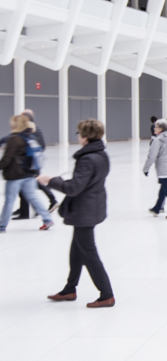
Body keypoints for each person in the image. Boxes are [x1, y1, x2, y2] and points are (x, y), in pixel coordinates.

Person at [40, 118, 114, 307]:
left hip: (85, 210)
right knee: (77, 250)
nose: (78, 136)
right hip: (93, 206)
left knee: (88, 252)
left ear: (85, 137)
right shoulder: (101, 154)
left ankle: (106, 294)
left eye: (79, 133)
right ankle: (69, 289)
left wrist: (51, 180)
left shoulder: (88, 158)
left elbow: (74, 188)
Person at [0, 114, 54, 231]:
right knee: (33, 197)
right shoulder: (30, 137)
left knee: (9, 200)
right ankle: (47, 219)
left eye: (12, 123)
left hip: (15, 175)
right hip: (29, 173)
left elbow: (7, 158)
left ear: (16, 124)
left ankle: (1, 226)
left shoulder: (14, 139)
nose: (10, 125)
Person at [143, 119, 167, 218]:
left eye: (155, 127)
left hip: (164, 169)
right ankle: (157, 208)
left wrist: (146, 169)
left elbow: (152, 156)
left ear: (160, 128)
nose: (154, 128)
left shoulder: (157, 140)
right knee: (164, 188)